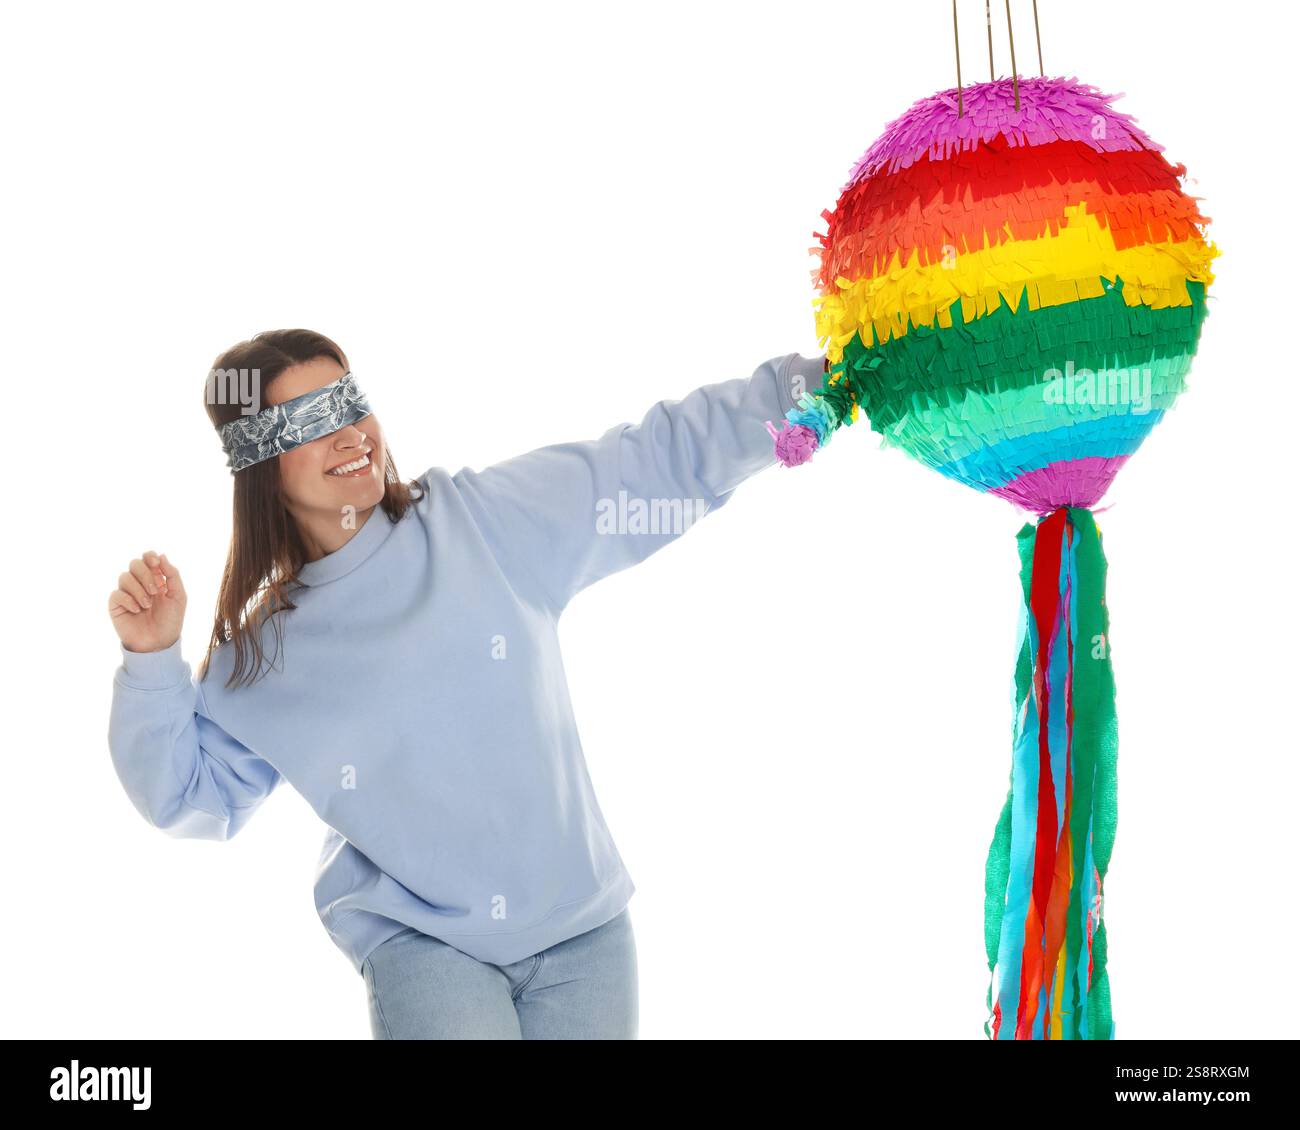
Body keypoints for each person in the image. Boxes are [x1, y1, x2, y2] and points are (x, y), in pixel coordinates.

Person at [107, 327, 826, 1039]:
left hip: (581, 927)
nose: (351, 434)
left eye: (350, 403)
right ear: (259, 463)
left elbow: (650, 463)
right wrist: (152, 660)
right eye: (311, 420)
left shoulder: (481, 520)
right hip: (425, 946)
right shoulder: (262, 653)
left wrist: (814, 387)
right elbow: (191, 798)